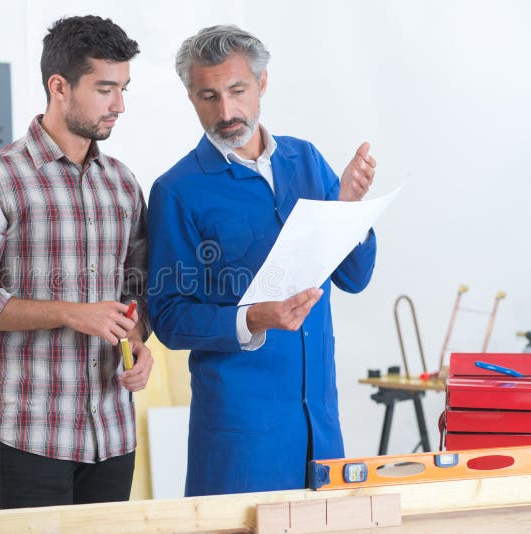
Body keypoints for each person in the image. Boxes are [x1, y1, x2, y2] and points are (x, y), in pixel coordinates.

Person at [147, 25, 377, 497]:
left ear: (262, 83)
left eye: (237, 91)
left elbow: (355, 277)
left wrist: (352, 214)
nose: (226, 112)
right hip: (239, 435)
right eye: (208, 96)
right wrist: (252, 318)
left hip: (320, 426)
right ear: (191, 97)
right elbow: (169, 318)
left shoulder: (306, 161)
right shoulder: (177, 190)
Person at [0, 15, 153, 509]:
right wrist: (67, 312)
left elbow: (136, 287)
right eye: (104, 89)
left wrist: (137, 342)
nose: (119, 104)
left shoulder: (122, 183)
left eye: (123, 88)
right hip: (33, 435)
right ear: (59, 86)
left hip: (113, 434)